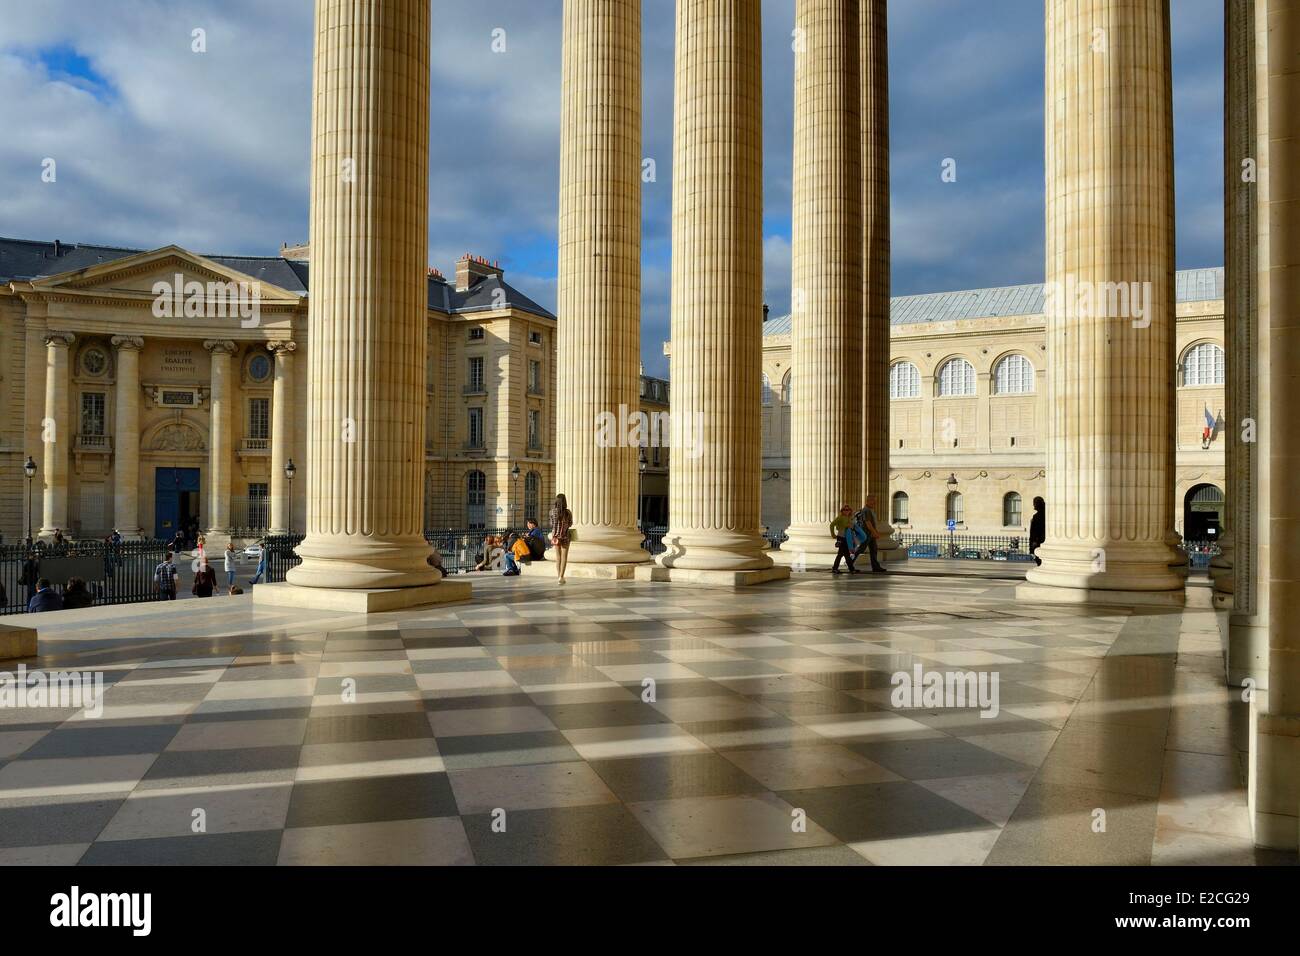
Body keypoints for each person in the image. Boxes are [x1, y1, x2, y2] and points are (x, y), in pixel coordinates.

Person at [853, 495, 888, 573]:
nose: (875, 502)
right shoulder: (866, 510)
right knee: (860, 549)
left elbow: (872, 523)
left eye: (875, 500)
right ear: (868, 501)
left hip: (871, 535)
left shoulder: (870, 510)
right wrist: (874, 532)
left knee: (874, 550)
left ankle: (876, 567)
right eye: (873, 500)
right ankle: (850, 563)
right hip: (867, 534)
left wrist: (875, 532)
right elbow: (868, 523)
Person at [549, 493, 572, 584]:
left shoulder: (552, 512)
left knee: (558, 557)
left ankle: (559, 576)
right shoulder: (568, 512)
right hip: (565, 536)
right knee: (564, 557)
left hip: (556, 537)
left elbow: (551, 524)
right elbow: (570, 524)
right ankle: (562, 576)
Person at [830, 505, 858, 574]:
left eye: (848, 510)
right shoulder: (840, 517)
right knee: (842, 554)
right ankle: (849, 569)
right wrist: (833, 534)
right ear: (842, 511)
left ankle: (850, 569)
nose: (846, 511)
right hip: (841, 538)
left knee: (845, 554)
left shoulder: (849, 518)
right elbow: (832, 525)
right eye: (845, 510)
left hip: (846, 538)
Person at [1029, 496, 1046, 566]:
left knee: (1039, 560)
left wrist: (1035, 541)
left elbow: (1036, 530)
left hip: (1038, 541)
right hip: (1038, 540)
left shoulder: (1037, 516)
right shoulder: (1043, 515)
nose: (1033, 505)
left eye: (1034, 503)